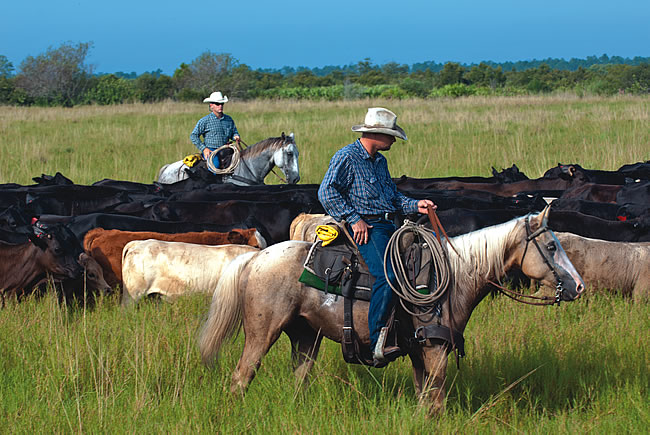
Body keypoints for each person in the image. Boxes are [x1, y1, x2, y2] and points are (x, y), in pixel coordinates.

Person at [318, 107, 436, 365]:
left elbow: (393, 198)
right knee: (388, 276)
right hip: (367, 227)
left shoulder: (380, 162)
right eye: (390, 135)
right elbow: (327, 192)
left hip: (388, 225)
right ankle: (375, 343)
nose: (393, 140)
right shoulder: (347, 157)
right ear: (376, 135)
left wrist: (417, 206)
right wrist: (353, 219)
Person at [190, 91, 241, 170]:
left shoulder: (229, 119)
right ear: (211, 106)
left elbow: (234, 132)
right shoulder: (205, 121)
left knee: (241, 163)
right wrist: (204, 149)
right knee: (215, 166)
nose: (220, 106)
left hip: (226, 149)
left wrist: (236, 136)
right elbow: (193, 135)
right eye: (217, 104)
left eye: (222, 104)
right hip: (211, 150)